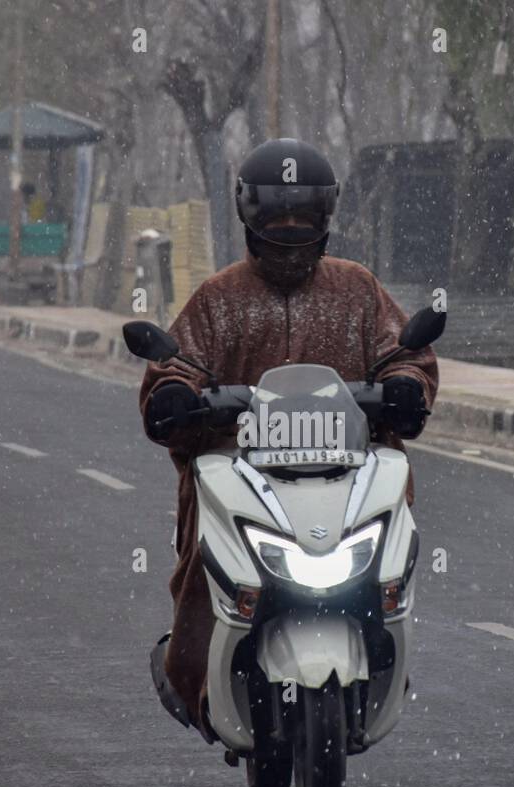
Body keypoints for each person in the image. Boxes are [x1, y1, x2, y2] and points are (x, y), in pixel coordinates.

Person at [137, 138, 438, 739]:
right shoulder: (219, 298)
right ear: (252, 214)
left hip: (344, 473)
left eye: (303, 214)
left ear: (326, 216)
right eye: (278, 213)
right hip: (244, 475)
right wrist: (174, 392)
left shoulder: (357, 290)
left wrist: (405, 382)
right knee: (205, 561)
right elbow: (180, 363)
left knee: (391, 542)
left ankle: (382, 649)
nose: (290, 226)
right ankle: (196, 674)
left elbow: (401, 351)